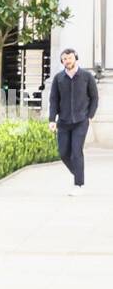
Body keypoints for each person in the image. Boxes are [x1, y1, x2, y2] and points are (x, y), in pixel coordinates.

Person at [49, 48, 99, 195]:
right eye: (64, 59)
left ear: (75, 58)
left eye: (70, 58)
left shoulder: (86, 76)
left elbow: (94, 97)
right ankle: (78, 174)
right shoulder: (58, 78)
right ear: (62, 61)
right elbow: (54, 100)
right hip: (63, 121)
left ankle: (78, 184)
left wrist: (90, 115)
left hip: (81, 121)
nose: (67, 61)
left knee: (76, 151)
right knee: (63, 153)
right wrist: (52, 119)